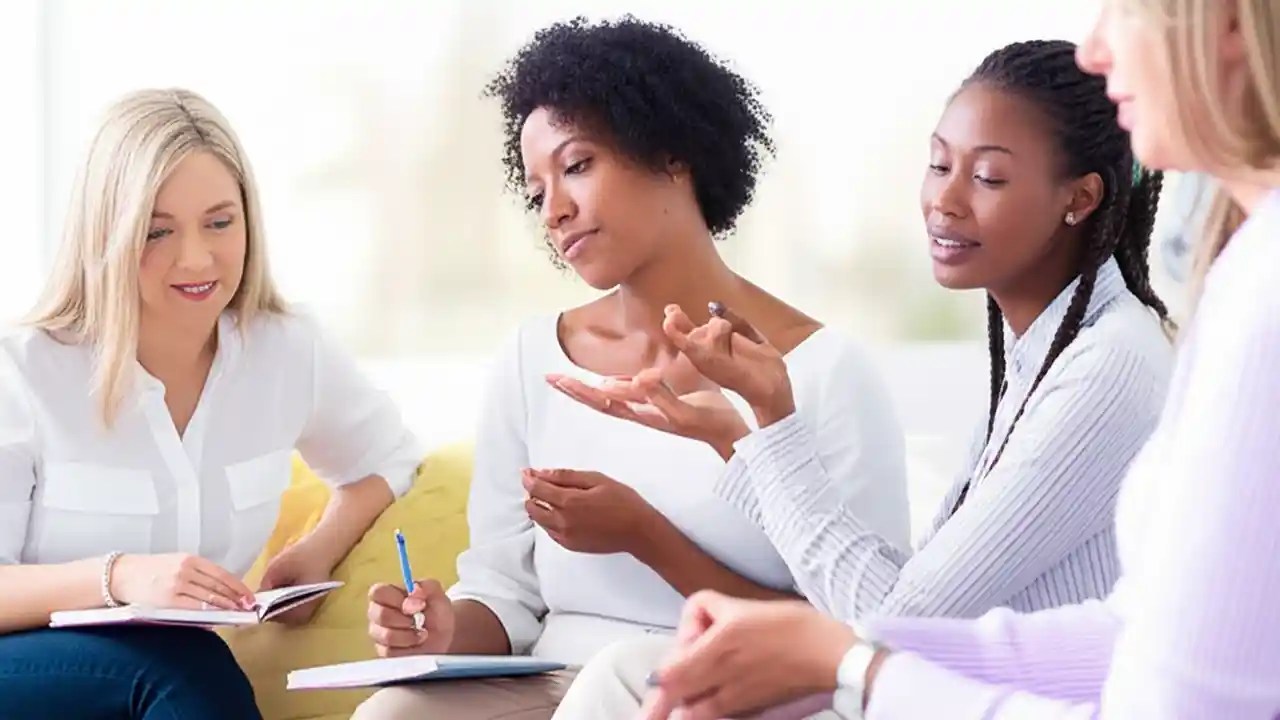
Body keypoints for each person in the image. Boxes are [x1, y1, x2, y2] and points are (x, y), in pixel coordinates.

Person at [637, 0, 1280, 717]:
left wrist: (849, 662)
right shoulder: (1050, 354)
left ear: (1081, 200)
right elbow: (1127, 637)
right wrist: (748, 435)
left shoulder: (1118, 363)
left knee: (636, 677)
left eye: (989, 177)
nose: (943, 199)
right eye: (939, 163)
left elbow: (900, 610)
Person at [354, 16, 909, 720]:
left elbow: (858, 632)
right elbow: (505, 594)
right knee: (394, 713)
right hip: (557, 680)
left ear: (671, 154)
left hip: (739, 690)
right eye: (536, 192)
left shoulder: (824, 371)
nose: (554, 212)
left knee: (614, 680)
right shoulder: (531, 359)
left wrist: (645, 536)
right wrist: (438, 627)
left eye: (578, 166)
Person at [0, 89, 424, 719]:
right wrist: (120, 578)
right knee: (182, 669)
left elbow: (385, 461)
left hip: (171, 670)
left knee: (183, 667)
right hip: (26, 661)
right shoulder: (25, 370)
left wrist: (312, 552)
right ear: (107, 236)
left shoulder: (285, 352)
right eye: (156, 231)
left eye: (220, 223)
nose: (195, 258)